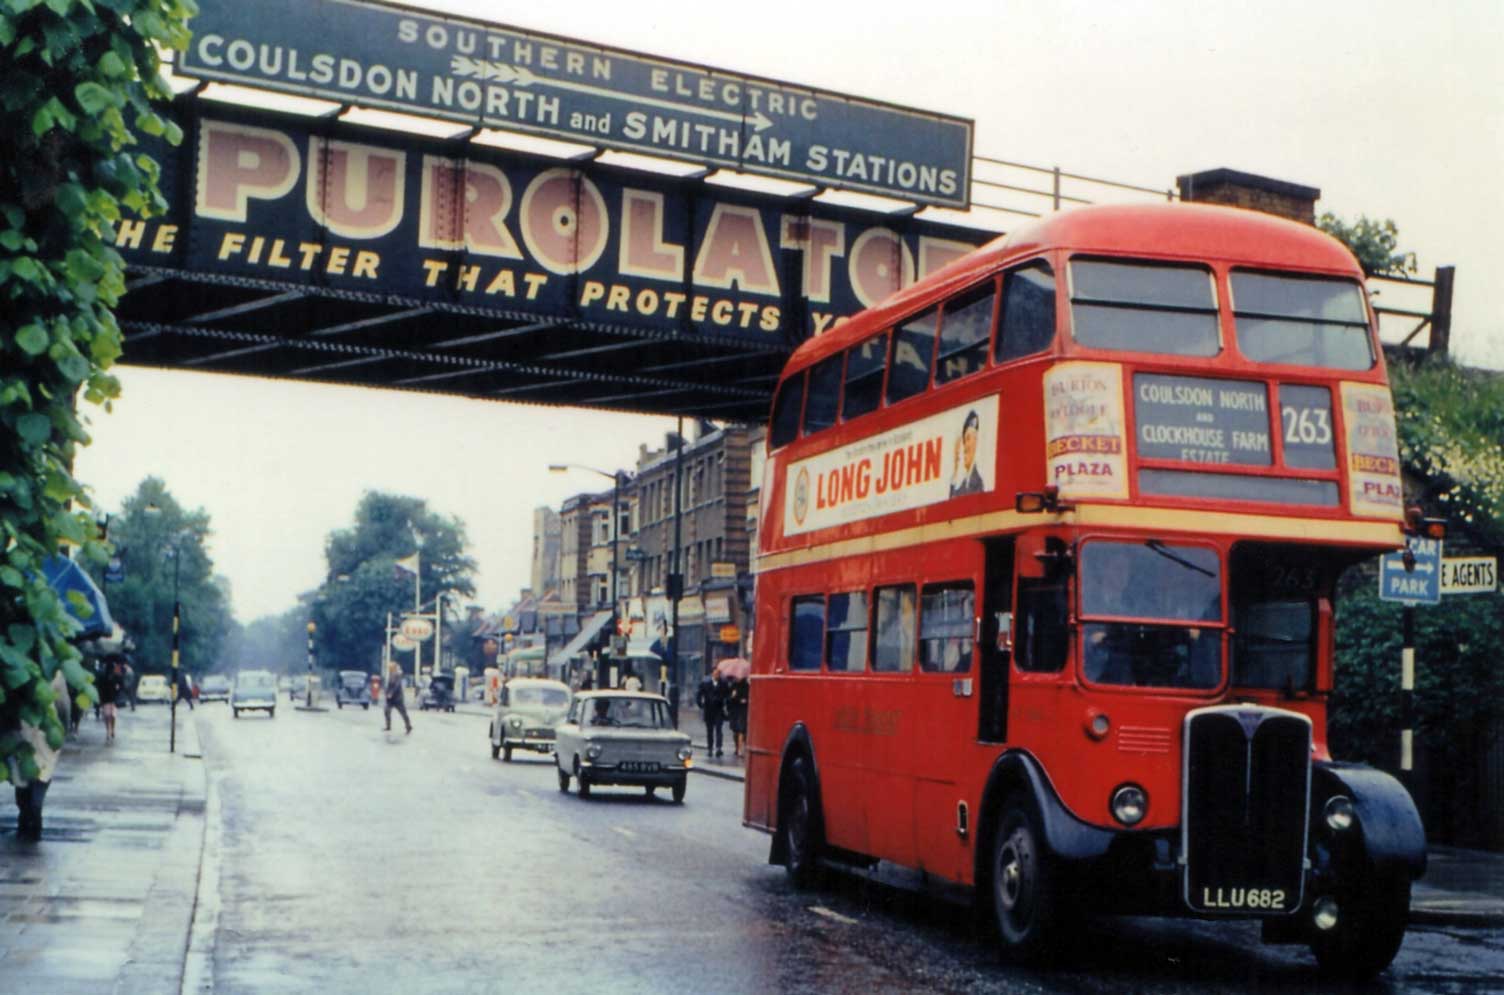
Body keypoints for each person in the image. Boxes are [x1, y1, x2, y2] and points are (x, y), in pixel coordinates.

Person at [949, 410, 986, 497]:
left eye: (968, 439)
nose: (965, 447)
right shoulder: (964, 483)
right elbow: (952, 504)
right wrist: (955, 465)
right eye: (964, 441)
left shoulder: (978, 483)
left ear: (976, 441)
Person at [695, 672, 725, 757]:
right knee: (710, 731)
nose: (717, 676)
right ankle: (710, 748)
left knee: (719, 730)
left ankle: (719, 748)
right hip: (709, 710)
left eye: (718, 674)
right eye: (715, 674)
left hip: (719, 710)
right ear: (712, 675)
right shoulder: (705, 684)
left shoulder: (723, 684)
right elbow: (699, 694)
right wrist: (700, 704)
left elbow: (726, 695)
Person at [97, 656, 124, 744]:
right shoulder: (103, 676)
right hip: (107, 699)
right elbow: (100, 688)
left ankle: (111, 730)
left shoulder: (116, 676)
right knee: (107, 715)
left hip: (112, 699)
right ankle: (109, 730)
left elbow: (120, 686)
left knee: (111, 715)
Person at [383, 661, 412, 734]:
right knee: (387, 711)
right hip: (390, 699)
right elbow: (389, 686)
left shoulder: (397, 675)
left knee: (403, 712)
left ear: (393, 668)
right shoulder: (391, 675)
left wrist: (391, 693)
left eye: (390, 667)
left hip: (397, 698)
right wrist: (386, 693)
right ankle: (388, 726)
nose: (389, 668)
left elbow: (397, 685)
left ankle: (408, 726)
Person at [726, 674, 749, 759]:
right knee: (735, 731)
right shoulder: (733, 686)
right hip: (734, 711)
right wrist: (732, 696)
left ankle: (740, 749)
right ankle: (736, 748)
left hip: (743, 711)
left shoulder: (747, 686)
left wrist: (745, 700)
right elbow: (728, 700)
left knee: (741, 730)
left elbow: (750, 697)